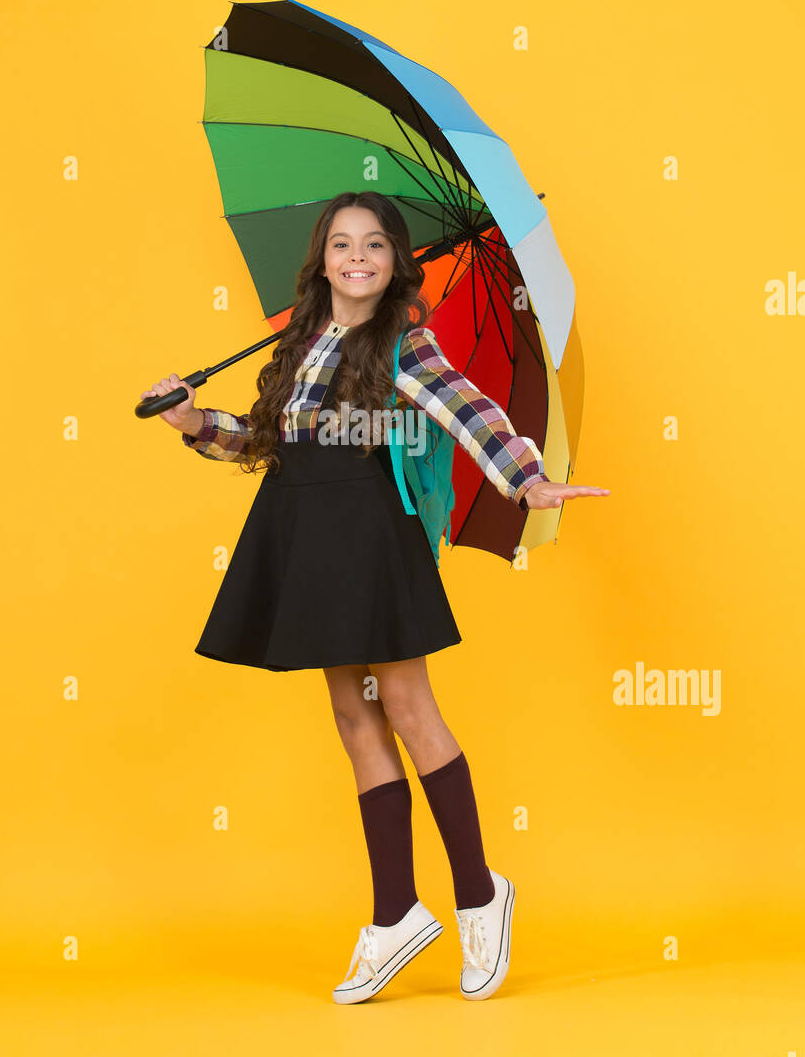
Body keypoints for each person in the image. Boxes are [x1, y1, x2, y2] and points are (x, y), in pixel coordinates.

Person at [141, 191, 609, 1004]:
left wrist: (524, 479)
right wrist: (191, 421)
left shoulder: (405, 340)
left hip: (369, 532)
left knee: (405, 702)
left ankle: (478, 892)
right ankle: (395, 911)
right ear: (321, 258)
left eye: (375, 246)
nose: (357, 257)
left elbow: (469, 407)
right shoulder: (297, 340)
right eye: (342, 244)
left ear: (396, 264)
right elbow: (261, 439)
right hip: (302, 532)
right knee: (352, 713)